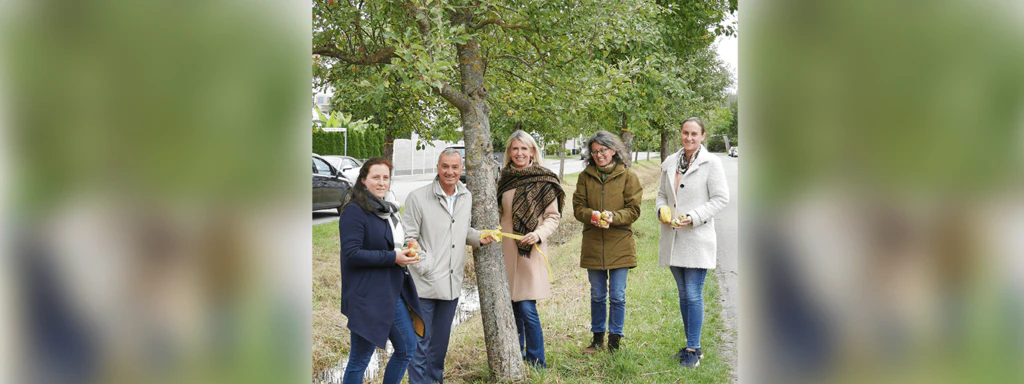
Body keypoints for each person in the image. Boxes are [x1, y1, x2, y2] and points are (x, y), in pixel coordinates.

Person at [403, 148, 494, 384]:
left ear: (461, 169)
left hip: (452, 287)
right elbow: (409, 240)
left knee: (439, 349)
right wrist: (427, 267)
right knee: (419, 346)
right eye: (445, 166)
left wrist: (477, 237)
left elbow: (459, 231)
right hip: (423, 286)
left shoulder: (466, 196)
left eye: (455, 167)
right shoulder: (417, 197)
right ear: (437, 168)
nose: (450, 172)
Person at [339, 158, 425, 384]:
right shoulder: (354, 211)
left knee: (407, 348)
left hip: (391, 289)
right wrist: (392, 257)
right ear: (363, 179)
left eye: (385, 177)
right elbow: (352, 254)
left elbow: (386, 245)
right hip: (366, 296)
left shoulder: (388, 208)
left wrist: (404, 251)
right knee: (360, 359)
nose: (381, 182)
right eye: (376, 177)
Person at [655, 117, 730, 368]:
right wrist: (661, 210)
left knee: (694, 294)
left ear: (703, 136)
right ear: (681, 134)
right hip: (673, 237)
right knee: (684, 295)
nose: (689, 137)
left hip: (697, 238)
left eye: (694, 133)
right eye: (685, 133)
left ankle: (693, 348)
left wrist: (693, 216)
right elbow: (662, 195)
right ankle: (692, 347)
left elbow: (721, 198)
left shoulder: (712, 163)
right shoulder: (669, 162)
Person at [496, 130, 564, 368]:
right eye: (515, 149)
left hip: (530, 249)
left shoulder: (544, 179)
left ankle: (537, 360)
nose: (519, 153)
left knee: (527, 307)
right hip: (505, 250)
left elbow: (553, 217)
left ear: (533, 151)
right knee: (512, 306)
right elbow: (499, 214)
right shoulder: (504, 179)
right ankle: (517, 356)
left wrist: (538, 234)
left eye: (524, 148)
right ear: (509, 152)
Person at [572, 131, 643, 354]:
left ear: (613, 150)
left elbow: (634, 210)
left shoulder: (628, 176)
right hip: (593, 243)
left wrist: (613, 218)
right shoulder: (585, 177)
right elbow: (578, 208)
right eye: (594, 151)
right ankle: (596, 340)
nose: (599, 155)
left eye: (603, 150)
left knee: (618, 295)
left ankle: (614, 341)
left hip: (620, 243)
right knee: (597, 294)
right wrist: (591, 216)